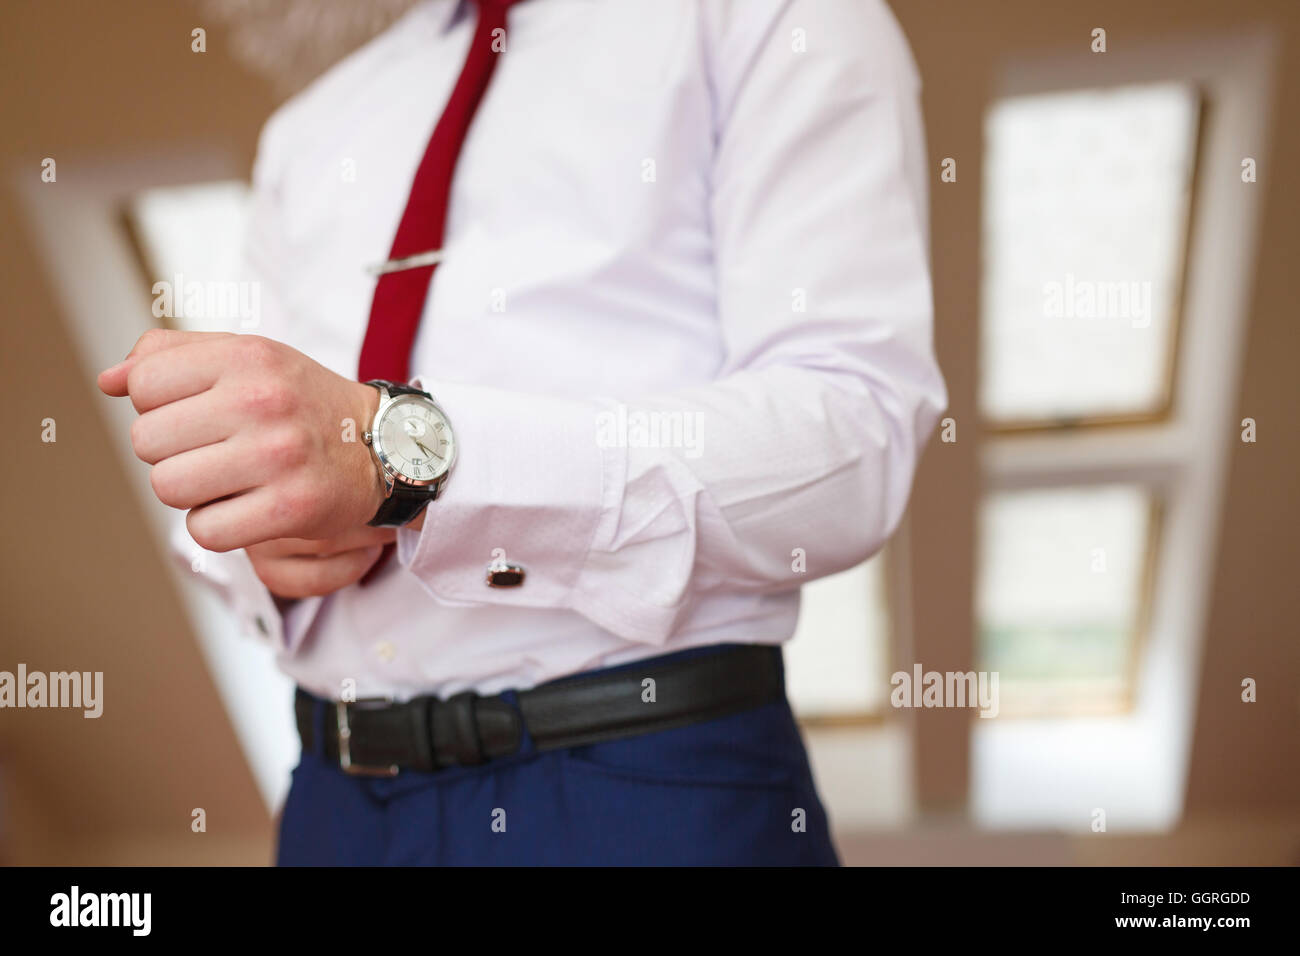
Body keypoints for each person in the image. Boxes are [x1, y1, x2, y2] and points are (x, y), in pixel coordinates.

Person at [97, 0, 945, 865]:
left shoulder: (773, 18)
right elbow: (289, 441)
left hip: (645, 786)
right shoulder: (308, 132)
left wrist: (412, 458)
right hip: (334, 800)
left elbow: (852, 441)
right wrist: (263, 541)